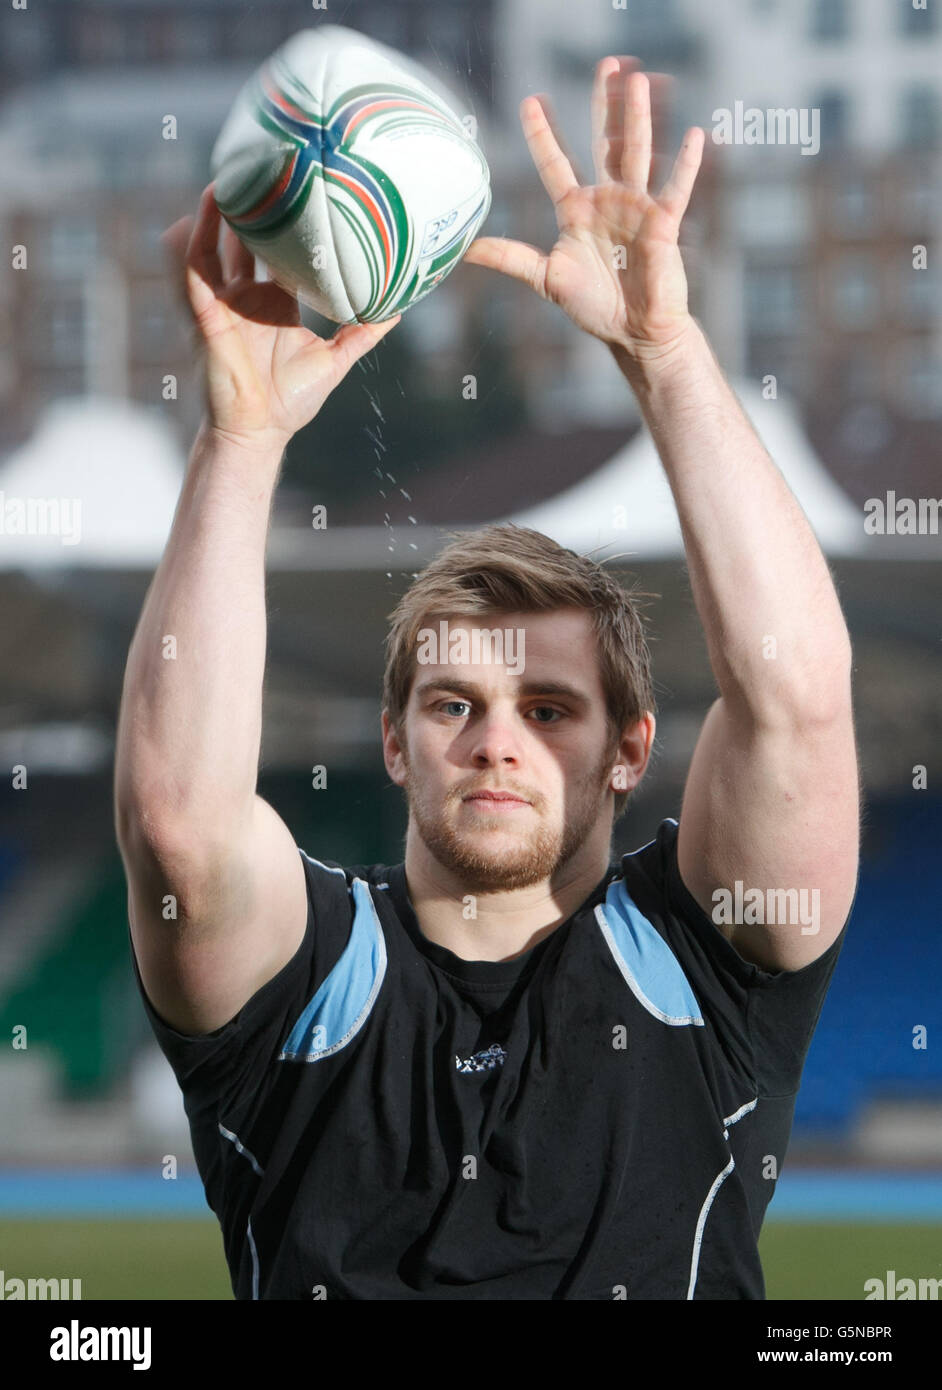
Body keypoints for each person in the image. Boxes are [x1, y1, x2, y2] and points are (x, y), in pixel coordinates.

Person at [114, 57, 859, 1299]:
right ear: (396, 743)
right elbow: (178, 828)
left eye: (550, 709)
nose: (496, 740)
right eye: (453, 704)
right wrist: (243, 438)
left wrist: (664, 354)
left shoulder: (705, 964)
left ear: (631, 747)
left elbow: (796, 698)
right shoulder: (309, 975)